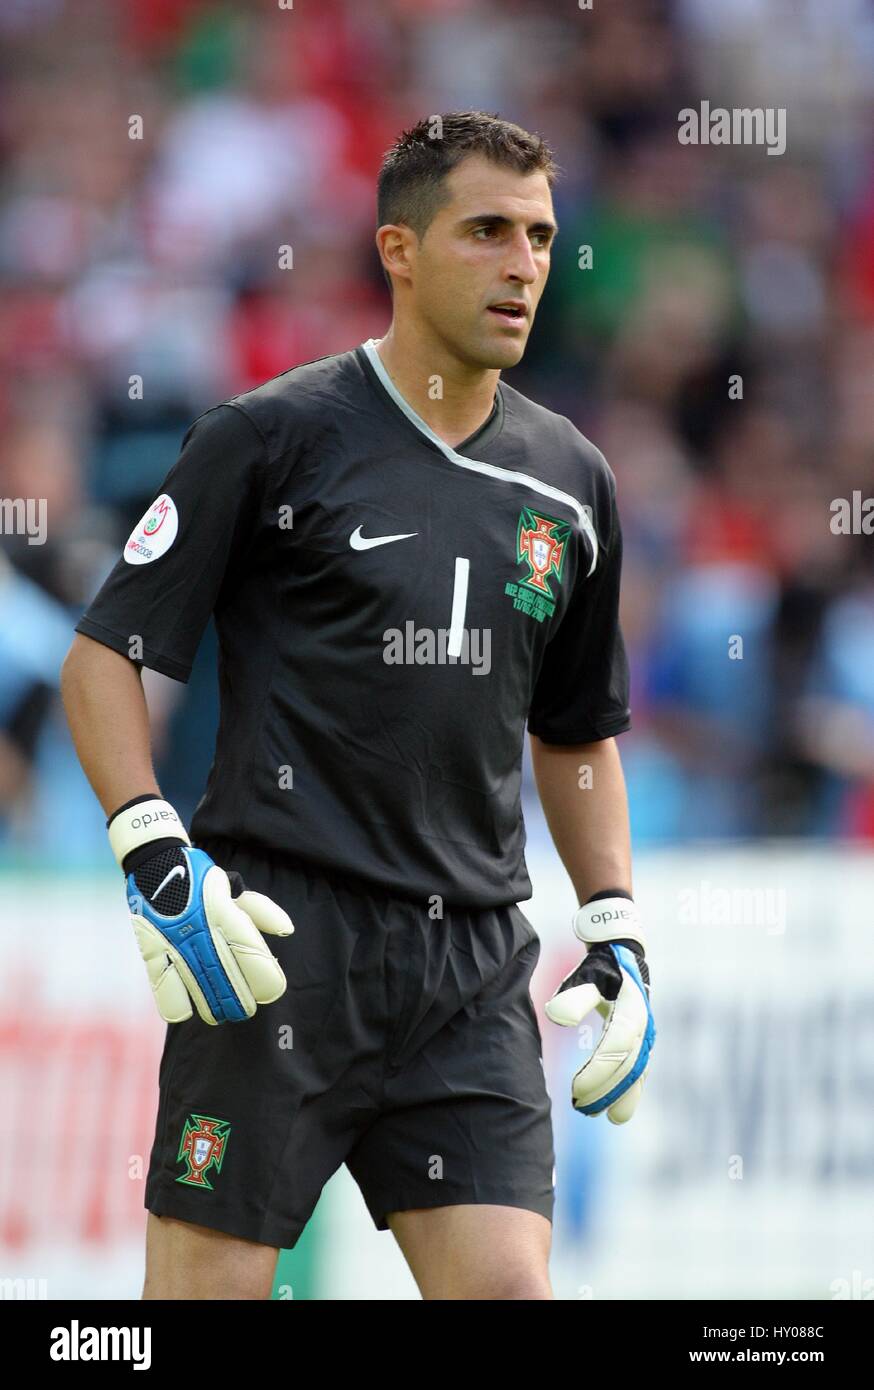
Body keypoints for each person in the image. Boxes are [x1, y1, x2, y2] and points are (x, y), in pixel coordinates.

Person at [61, 110, 654, 1301]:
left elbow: (576, 730)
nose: (524, 264)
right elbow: (105, 653)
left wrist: (616, 921)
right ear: (398, 248)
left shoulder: (572, 481)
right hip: (278, 946)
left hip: (475, 968)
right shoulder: (268, 439)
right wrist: (148, 842)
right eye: (486, 231)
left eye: (539, 236)